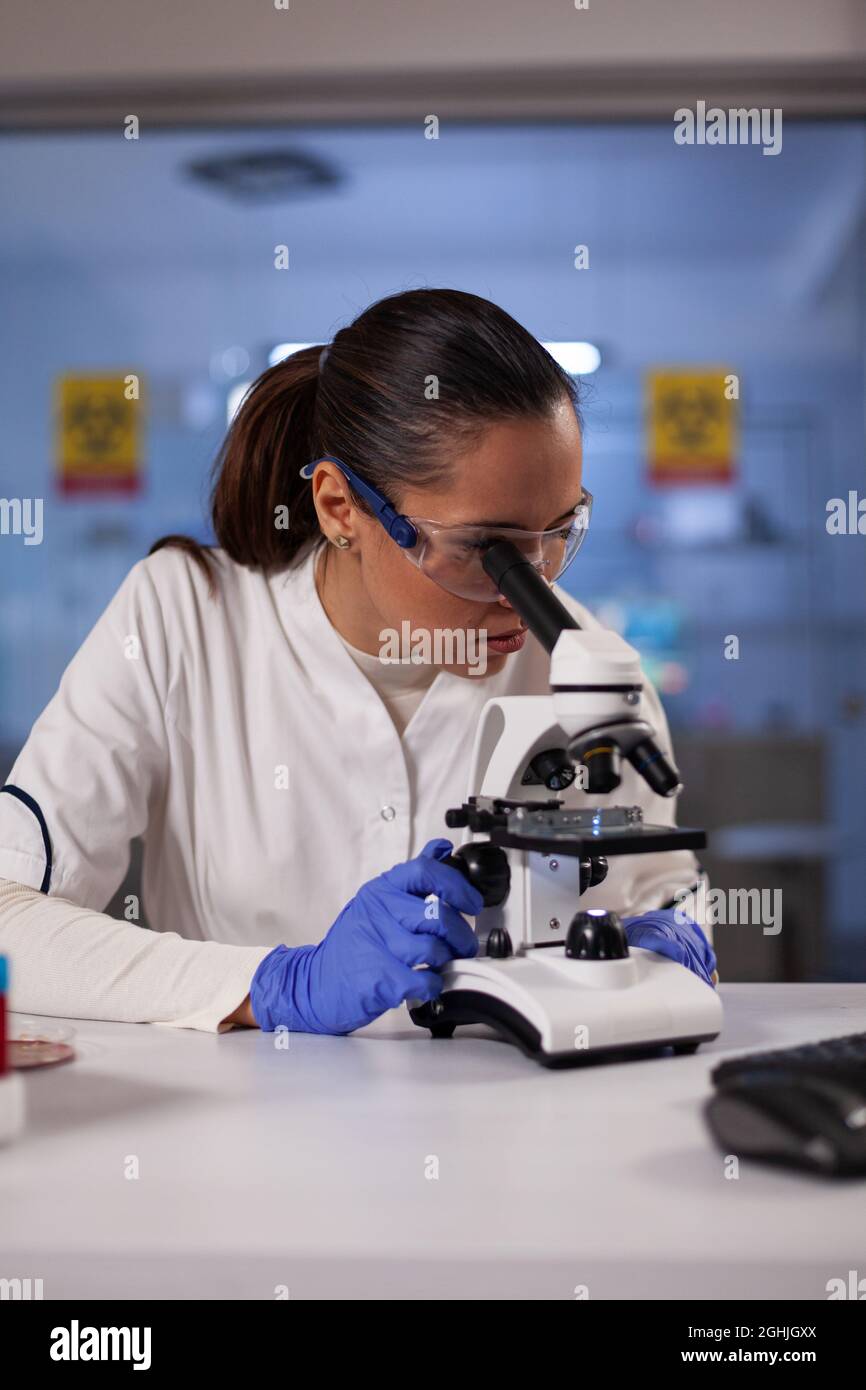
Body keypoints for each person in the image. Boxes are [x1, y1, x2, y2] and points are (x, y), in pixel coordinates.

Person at [0, 288, 715, 1037]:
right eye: (487, 552)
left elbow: (664, 895)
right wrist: (276, 985)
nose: (531, 591)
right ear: (341, 506)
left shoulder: (587, 667)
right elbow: (11, 925)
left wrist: (672, 944)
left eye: (559, 532)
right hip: (233, 1138)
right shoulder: (182, 617)